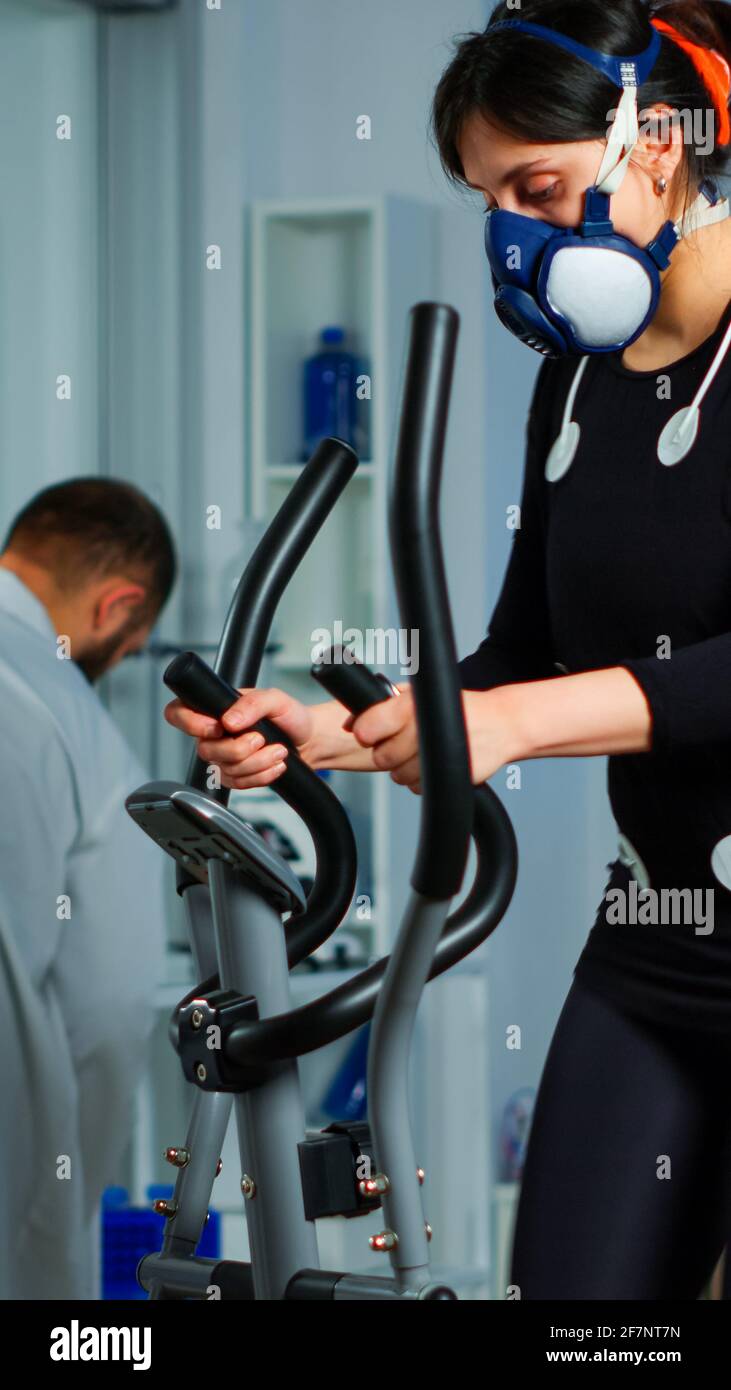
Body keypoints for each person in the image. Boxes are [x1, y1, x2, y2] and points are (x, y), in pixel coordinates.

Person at [165, 0, 731, 1299]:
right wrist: (332, 732)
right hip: (653, 949)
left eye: (535, 186)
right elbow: (516, 657)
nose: (517, 234)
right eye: (491, 201)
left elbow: (558, 706)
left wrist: (514, 726)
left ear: (657, 140)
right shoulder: (574, 383)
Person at [0, 477, 177, 1299]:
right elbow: (108, 1008)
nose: (133, 655)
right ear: (117, 606)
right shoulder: (71, 721)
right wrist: (71, 1184)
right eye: (137, 637)